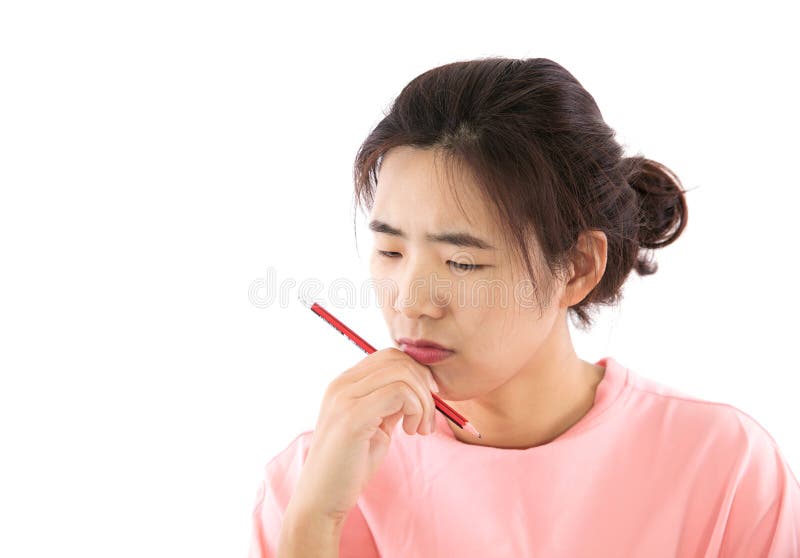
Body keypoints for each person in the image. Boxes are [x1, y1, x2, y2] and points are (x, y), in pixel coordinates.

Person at [248, 57, 800, 557]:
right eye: (390, 250)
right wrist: (314, 524)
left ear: (579, 267)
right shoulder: (315, 481)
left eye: (462, 263)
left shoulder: (722, 465)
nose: (411, 300)